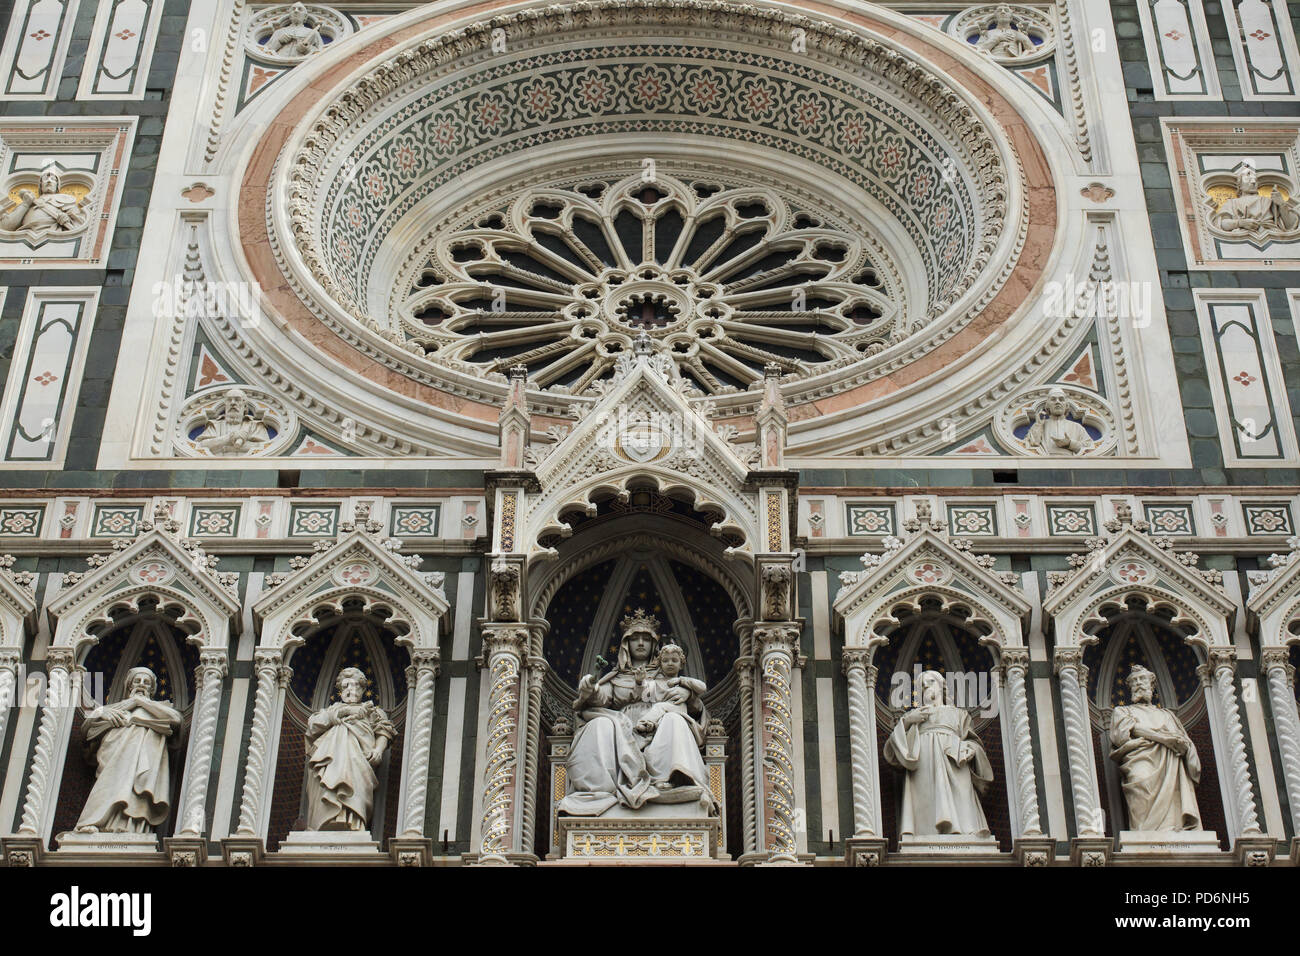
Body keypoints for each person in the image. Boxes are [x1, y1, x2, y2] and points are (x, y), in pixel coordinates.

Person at [559, 610, 714, 816]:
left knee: (674, 719)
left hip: (657, 731)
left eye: (646, 639)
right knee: (599, 725)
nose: (640, 643)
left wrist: (687, 694)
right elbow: (601, 700)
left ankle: (672, 779)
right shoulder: (616, 677)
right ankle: (598, 790)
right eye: (635, 639)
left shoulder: (668, 675)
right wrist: (591, 690)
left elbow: (693, 707)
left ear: (654, 645)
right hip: (621, 730)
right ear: (625, 644)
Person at [883, 670, 993, 837]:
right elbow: (892, 753)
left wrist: (968, 749)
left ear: (942, 686)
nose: (926, 686)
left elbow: (974, 743)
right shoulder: (911, 717)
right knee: (927, 803)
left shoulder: (959, 714)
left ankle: (965, 832)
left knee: (962, 799)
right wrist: (907, 722)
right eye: (921, 685)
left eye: (931, 682)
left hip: (954, 762)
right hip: (924, 763)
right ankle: (926, 835)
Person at [74, 667, 181, 834]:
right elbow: (86, 729)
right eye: (137, 681)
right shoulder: (115, 707)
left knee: (136, 788)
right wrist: (102, 712)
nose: (141, 685)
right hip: (115, 753)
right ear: (129, 685)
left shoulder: (159, 708)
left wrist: (140, 702)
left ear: (152, 689)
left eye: (146, 682)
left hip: (144, 755)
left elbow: (175, 719)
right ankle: (93, 822)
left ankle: (131, 829)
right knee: (109, 782)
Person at [1109, 664, 1202, 831]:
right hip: (1140, 758)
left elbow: (1183, 740)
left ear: (1152, 685)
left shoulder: (1167, 715)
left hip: (1170, 764)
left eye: (1142, 679)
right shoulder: (1123, 711)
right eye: (1134, 681)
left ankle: (1174, 829)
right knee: (1141, 783)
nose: (1138, 683)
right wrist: (1163, 739)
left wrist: (1183, 746)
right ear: (1129, 688)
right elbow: (1124, 734)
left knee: (1174, 797)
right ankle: (1144, 833)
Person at [304, 667, 395, 831]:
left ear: (362, 688)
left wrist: (378, 751)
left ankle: (352, 821)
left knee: (354, 780)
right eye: (345, 687)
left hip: (357, 760)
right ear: (340, 690)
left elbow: (384, 731)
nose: (350, 690)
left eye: (354, 686)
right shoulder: (332, 710)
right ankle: (325, 820)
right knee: (326, 781)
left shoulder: (372, 711)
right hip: (329, 757)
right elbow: (312, 727)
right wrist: (341, 713)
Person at [1208, 162, 1300, 235]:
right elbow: (1222, 224)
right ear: (1239, 184)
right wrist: (1240, 223)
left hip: (1272, 233)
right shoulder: (1232, 203)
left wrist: (1282, 204)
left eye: (1255, 180)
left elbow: (1290, 226)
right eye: (1248, 178)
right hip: (1242, 236)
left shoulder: (1269, 201)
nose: (1253, 181)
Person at [634, 643, 706, 735]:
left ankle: (644, 723)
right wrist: (639, 681)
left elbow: (702, 687)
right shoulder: (655, 683)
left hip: (679, 713)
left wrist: (681, 680)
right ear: (660, 665)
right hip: (660, 718)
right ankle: (650, 725)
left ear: (681, 665)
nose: (670, 663)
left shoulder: (684, 682)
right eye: (665, 661)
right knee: (650, 710)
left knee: (659, 707)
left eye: (674, 660)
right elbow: (644, 697)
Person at [1, 166, 87, 233]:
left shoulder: (66, 200)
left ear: (57, 186)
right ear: (40, 185)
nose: (49, 181)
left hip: (54, 235)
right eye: (45, 179)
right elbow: (6, 227)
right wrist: (25, 204)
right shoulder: (29, 203)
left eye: (53, 179)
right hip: (24, 236)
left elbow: (79, 223)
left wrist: (67, 219)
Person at [1025, 387, 1092, 456]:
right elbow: (1033, 444)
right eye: (1053, 399)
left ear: (1066, 405)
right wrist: (1038, 425)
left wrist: (1070, 443)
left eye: (1061, 399)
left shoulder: (1076, 427)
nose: (1057, 402)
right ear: (1047, 406)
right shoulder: (1040, 425)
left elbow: (1088, 447)